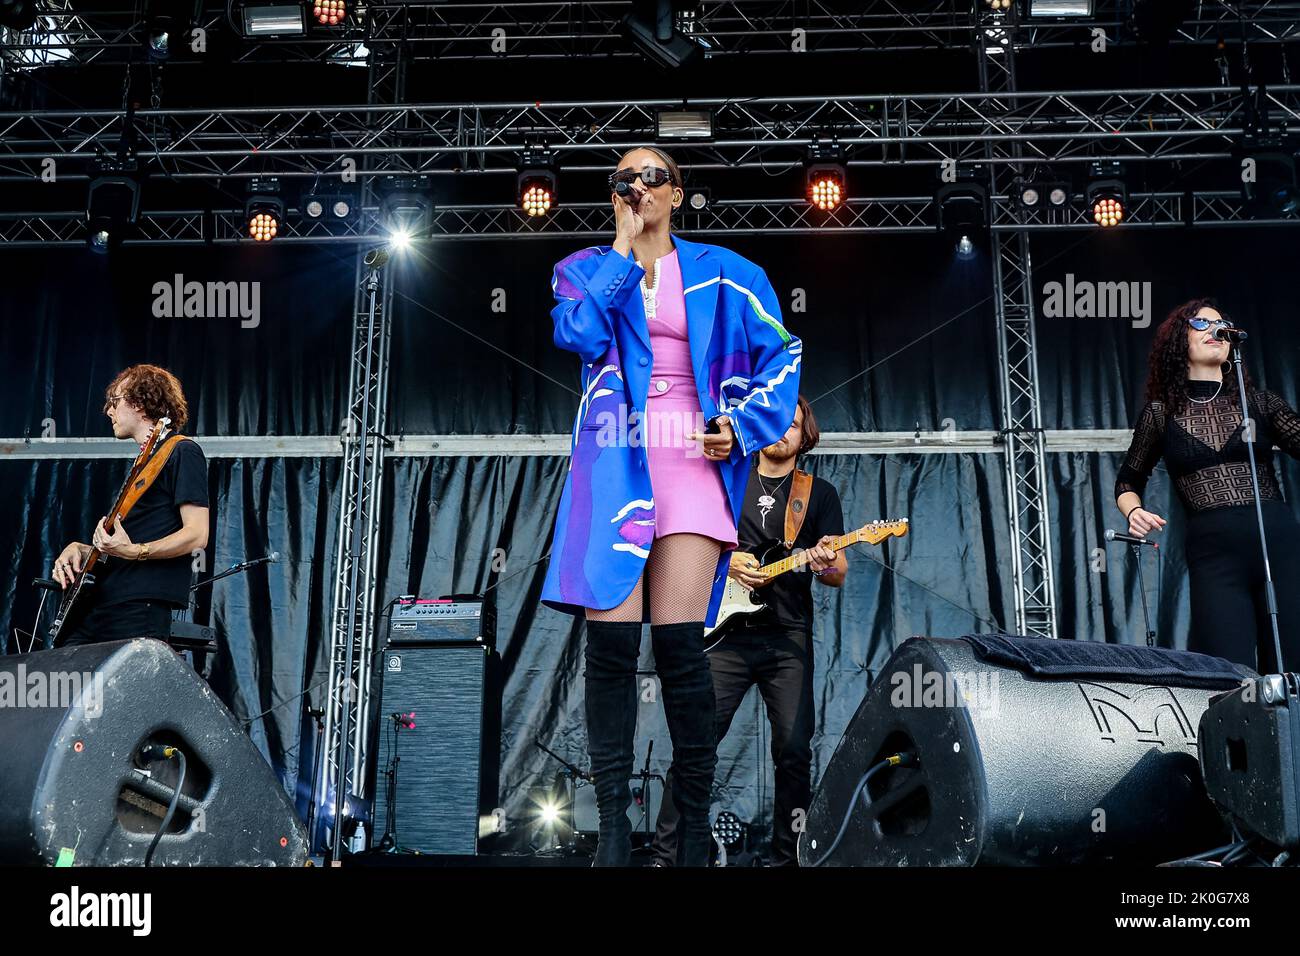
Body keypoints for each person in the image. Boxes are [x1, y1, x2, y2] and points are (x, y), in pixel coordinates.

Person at [541, 145, 803, 866]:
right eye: (626, 178)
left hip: (690, 456)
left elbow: (782, 354)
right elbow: (580, 333)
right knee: (612, 653)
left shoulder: (730, 272)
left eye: (654, 175)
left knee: (682, 651)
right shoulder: (584, 269)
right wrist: (623, 252)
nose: (640, 185)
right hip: (617, 457)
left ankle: (689, 834)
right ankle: (616, 838)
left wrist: (738, 426)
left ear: (679, 193)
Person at [651, 395, 845, 866]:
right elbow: (685, 540)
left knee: (795, 750)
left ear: (805, 436)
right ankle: (665, 854)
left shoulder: (818, 495)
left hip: (786, 638)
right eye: (777, 422)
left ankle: (787, 856)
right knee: (694, 744)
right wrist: (726, 559)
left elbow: (838, 569)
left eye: (793, 425)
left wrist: (822, 563)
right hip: (724, 637)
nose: (784, 432)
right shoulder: (728, 479)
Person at [1116, 298, 1300, 673]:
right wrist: (1133, 511)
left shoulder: (1261, 404)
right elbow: (1127, 481)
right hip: (1215, 557)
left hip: (1278, 545)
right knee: (1228, 673)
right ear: (1178, 342)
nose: (1215, 330)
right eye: (1201, 323)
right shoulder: (1160, 413)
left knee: (1292, 667)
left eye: (1221, 325)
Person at [51, 364, 209, 647]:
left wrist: (135, 551)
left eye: (114, 402)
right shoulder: (141, 466)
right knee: (68, 680)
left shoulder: (183, 451)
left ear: (138, 403)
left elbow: (197, 534)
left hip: (138, 606)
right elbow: (122, 546)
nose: (108, 411)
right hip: (103, 600)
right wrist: (81, 549)